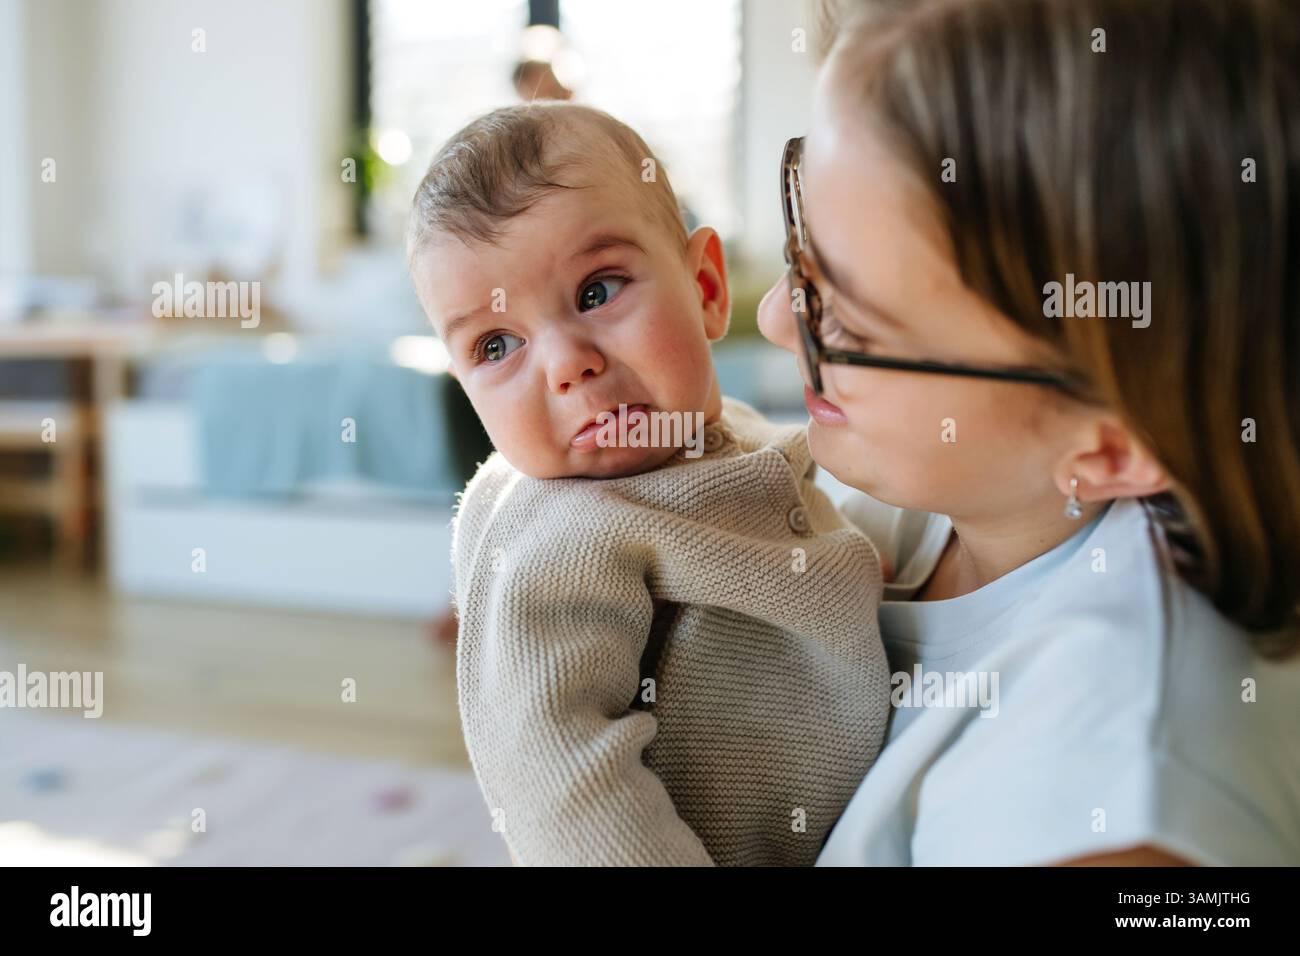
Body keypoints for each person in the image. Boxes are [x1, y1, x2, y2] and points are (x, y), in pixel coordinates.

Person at [755, 0, 1300, 865]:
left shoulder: (1109, 797)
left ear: (1112, 447)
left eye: (850, 323)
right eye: (799, 246)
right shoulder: (960, 492)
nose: (776, 319)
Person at [407, 103, 891, 865]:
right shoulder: (552, 545)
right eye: (496, 344)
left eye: (597, 291)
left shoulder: (734, 439)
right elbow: (563, 789)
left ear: (704, 288)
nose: (568, 364)